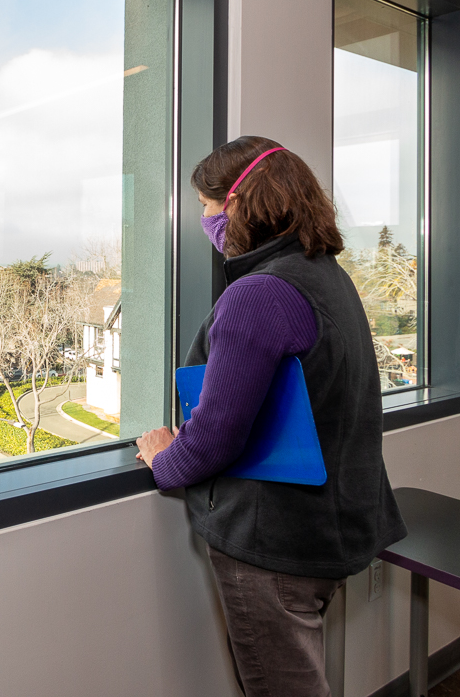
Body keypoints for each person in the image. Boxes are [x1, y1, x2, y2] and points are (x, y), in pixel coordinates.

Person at [135, 136, 406, 697]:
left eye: (207, 209)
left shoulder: (259, 294)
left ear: (237, 203)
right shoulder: (328, 278)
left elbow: (216, 434)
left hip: (275, 546)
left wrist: (165, 460)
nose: (206, 223)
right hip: (330, 532)